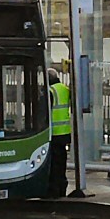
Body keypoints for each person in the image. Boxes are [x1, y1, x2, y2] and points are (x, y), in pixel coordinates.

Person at [47, 67, 72, 198]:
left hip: (53, 133)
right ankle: (62, 187)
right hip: (65, 132)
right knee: (62, 162)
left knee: (54, 164)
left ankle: (54, 189)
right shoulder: (64, 89)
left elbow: (45, 112)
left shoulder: (50, 91)